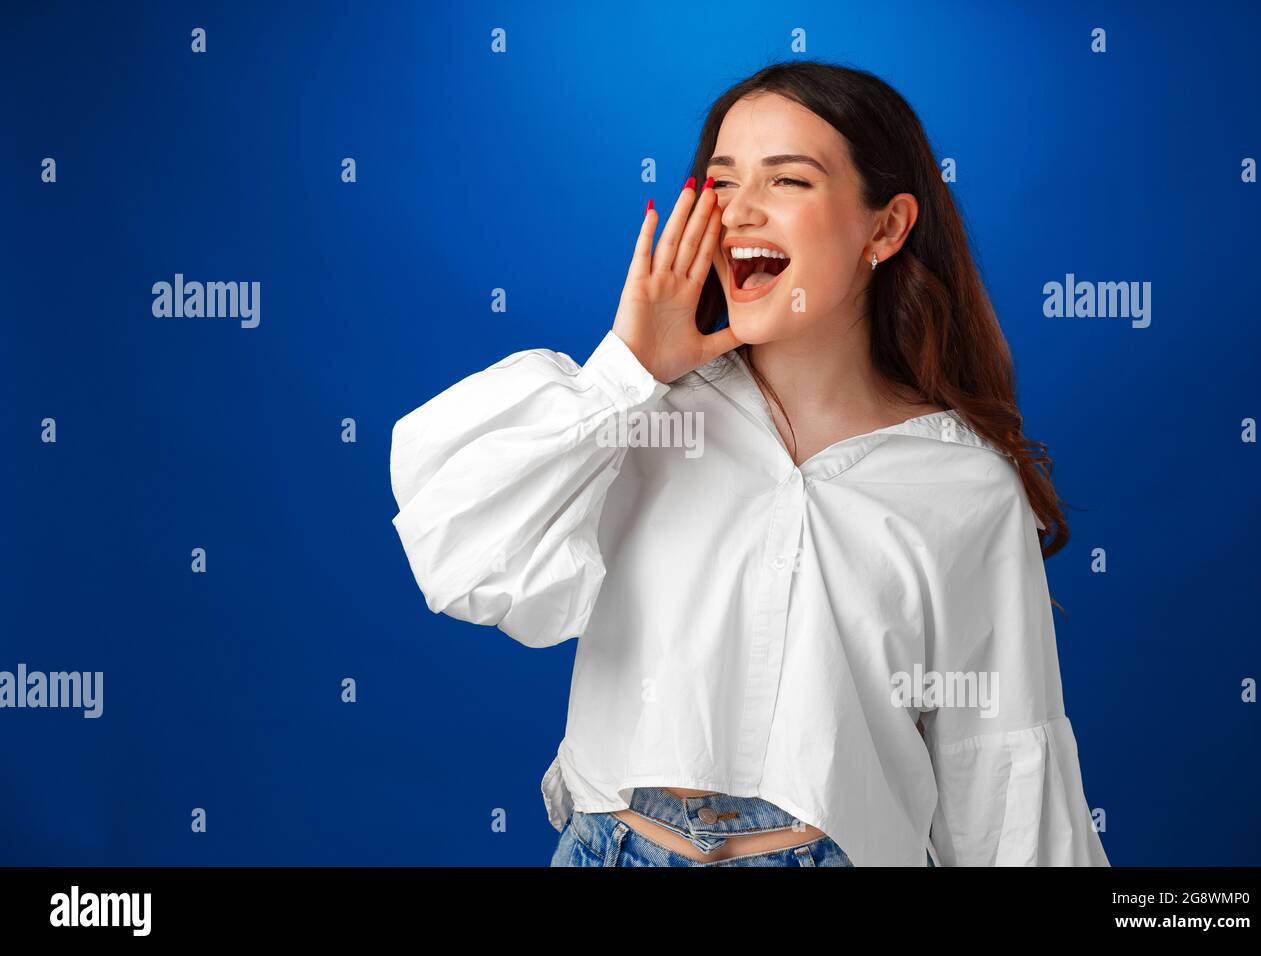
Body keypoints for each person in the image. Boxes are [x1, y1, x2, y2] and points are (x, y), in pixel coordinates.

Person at [389, 60, 1110, 867]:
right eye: (722, 182)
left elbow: (1003, 767)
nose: (740, 211)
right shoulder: (638, 414)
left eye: (789, 181)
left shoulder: (963, 485)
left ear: (886, 228)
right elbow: (456, 547)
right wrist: (627, 369)